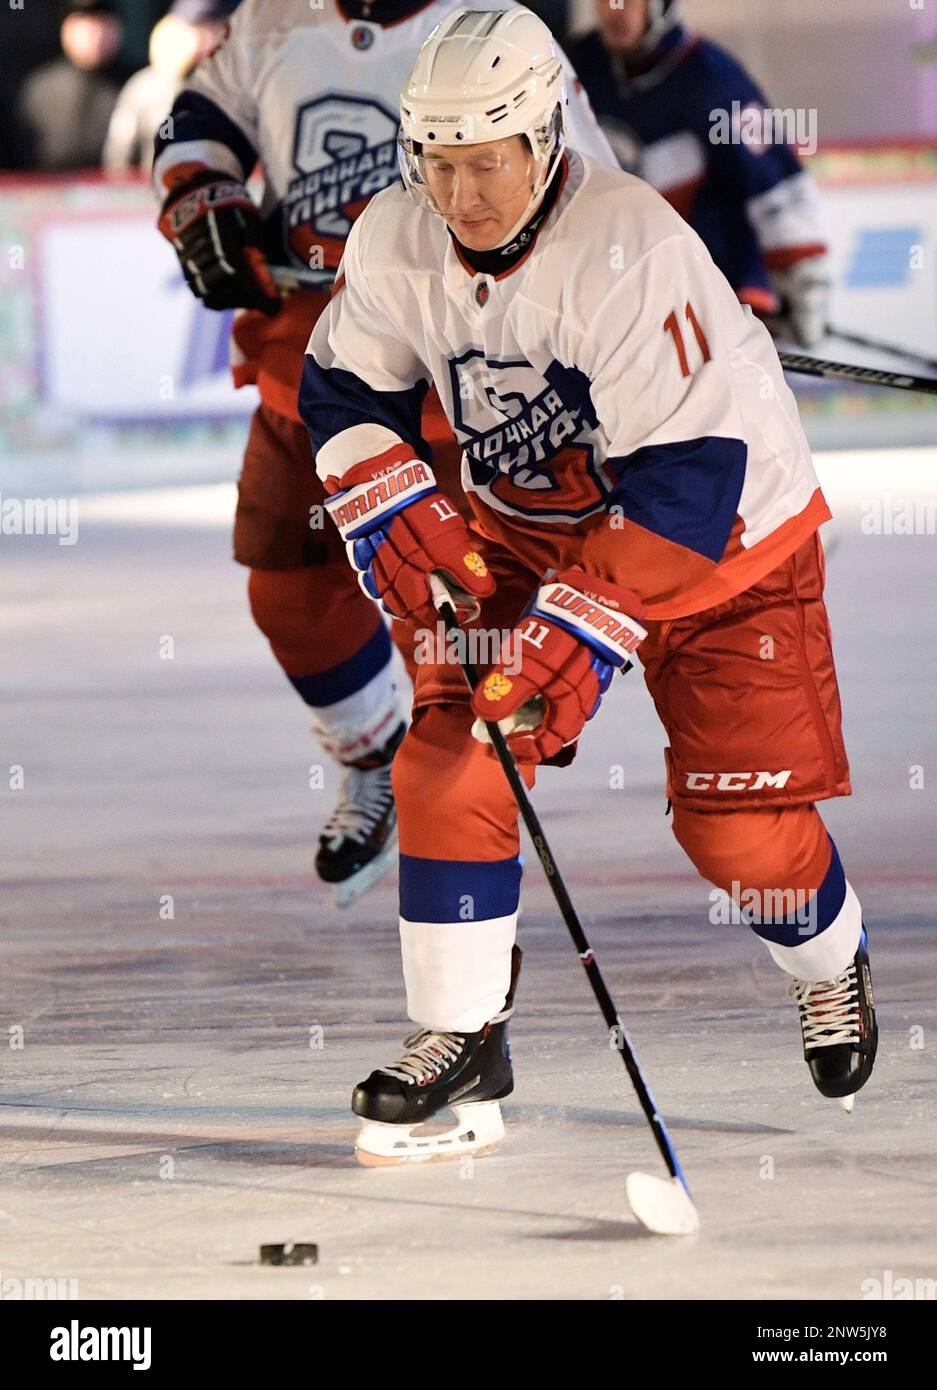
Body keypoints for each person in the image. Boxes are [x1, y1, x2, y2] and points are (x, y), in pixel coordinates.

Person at [301, 5, 877, 1165]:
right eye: (439, 166)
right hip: (528, 530)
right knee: (455, 750)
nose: (461, 197)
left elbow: (685, 495)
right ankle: (461, 1035)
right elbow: (344, 386)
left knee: (738, 834)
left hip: (726, 543)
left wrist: (574, 641)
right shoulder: (395, 238)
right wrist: (387, 491)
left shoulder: (633, 248)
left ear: (547, 140)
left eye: (487, 166)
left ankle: (828, 966)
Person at [154, 0, 615, 906]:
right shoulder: (275, 16)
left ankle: (465, 885)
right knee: (287, 592)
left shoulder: (490, 29)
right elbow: (197, 114)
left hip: (453, 388)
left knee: (459, 630)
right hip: (312, 363)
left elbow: (585, 179)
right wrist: (204, 198)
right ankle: (371, 758)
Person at [567, 0, 830, 348]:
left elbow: (774, 183)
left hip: (721, 289)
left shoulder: (711, 79)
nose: (616, 11)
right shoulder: (576, 67)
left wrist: (803, 278)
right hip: (624, 292)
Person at [105, 0, 229, 174]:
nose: (206, 36)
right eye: (198, 27)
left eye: (213, 26)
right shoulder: (145, 87)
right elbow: (119, 157)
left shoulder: (233, 87)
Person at [17, 1, 133, 172]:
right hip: (48, 192)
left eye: (103, 22)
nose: (96, 35)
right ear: (66, 30)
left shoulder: (136, 86)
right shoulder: (41, 87)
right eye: (85, 24)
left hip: (120, 193)